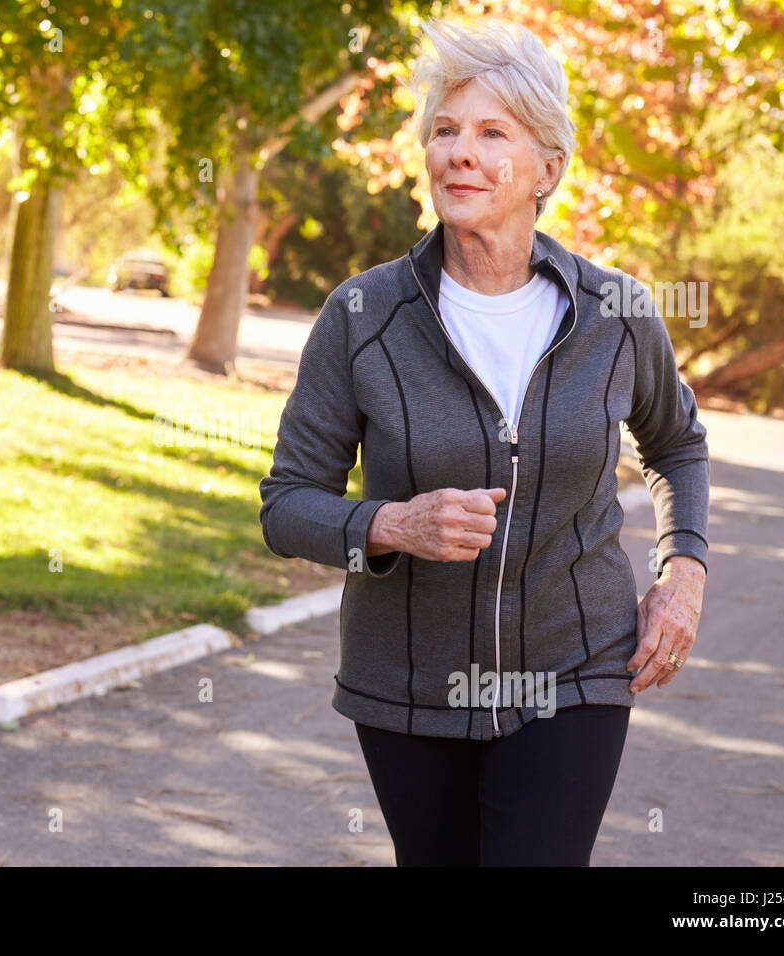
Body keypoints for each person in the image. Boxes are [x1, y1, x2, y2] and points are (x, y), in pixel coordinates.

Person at [257, 18, 710, 866]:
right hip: (408, 688)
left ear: (548, 167)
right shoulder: (363, 317)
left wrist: (681, 575)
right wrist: (392, 526)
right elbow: (286, 506)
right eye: (444, 129)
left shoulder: (616, 313)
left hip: (573, 672)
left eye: (492, 131)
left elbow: (676, 442)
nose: (460, 152)